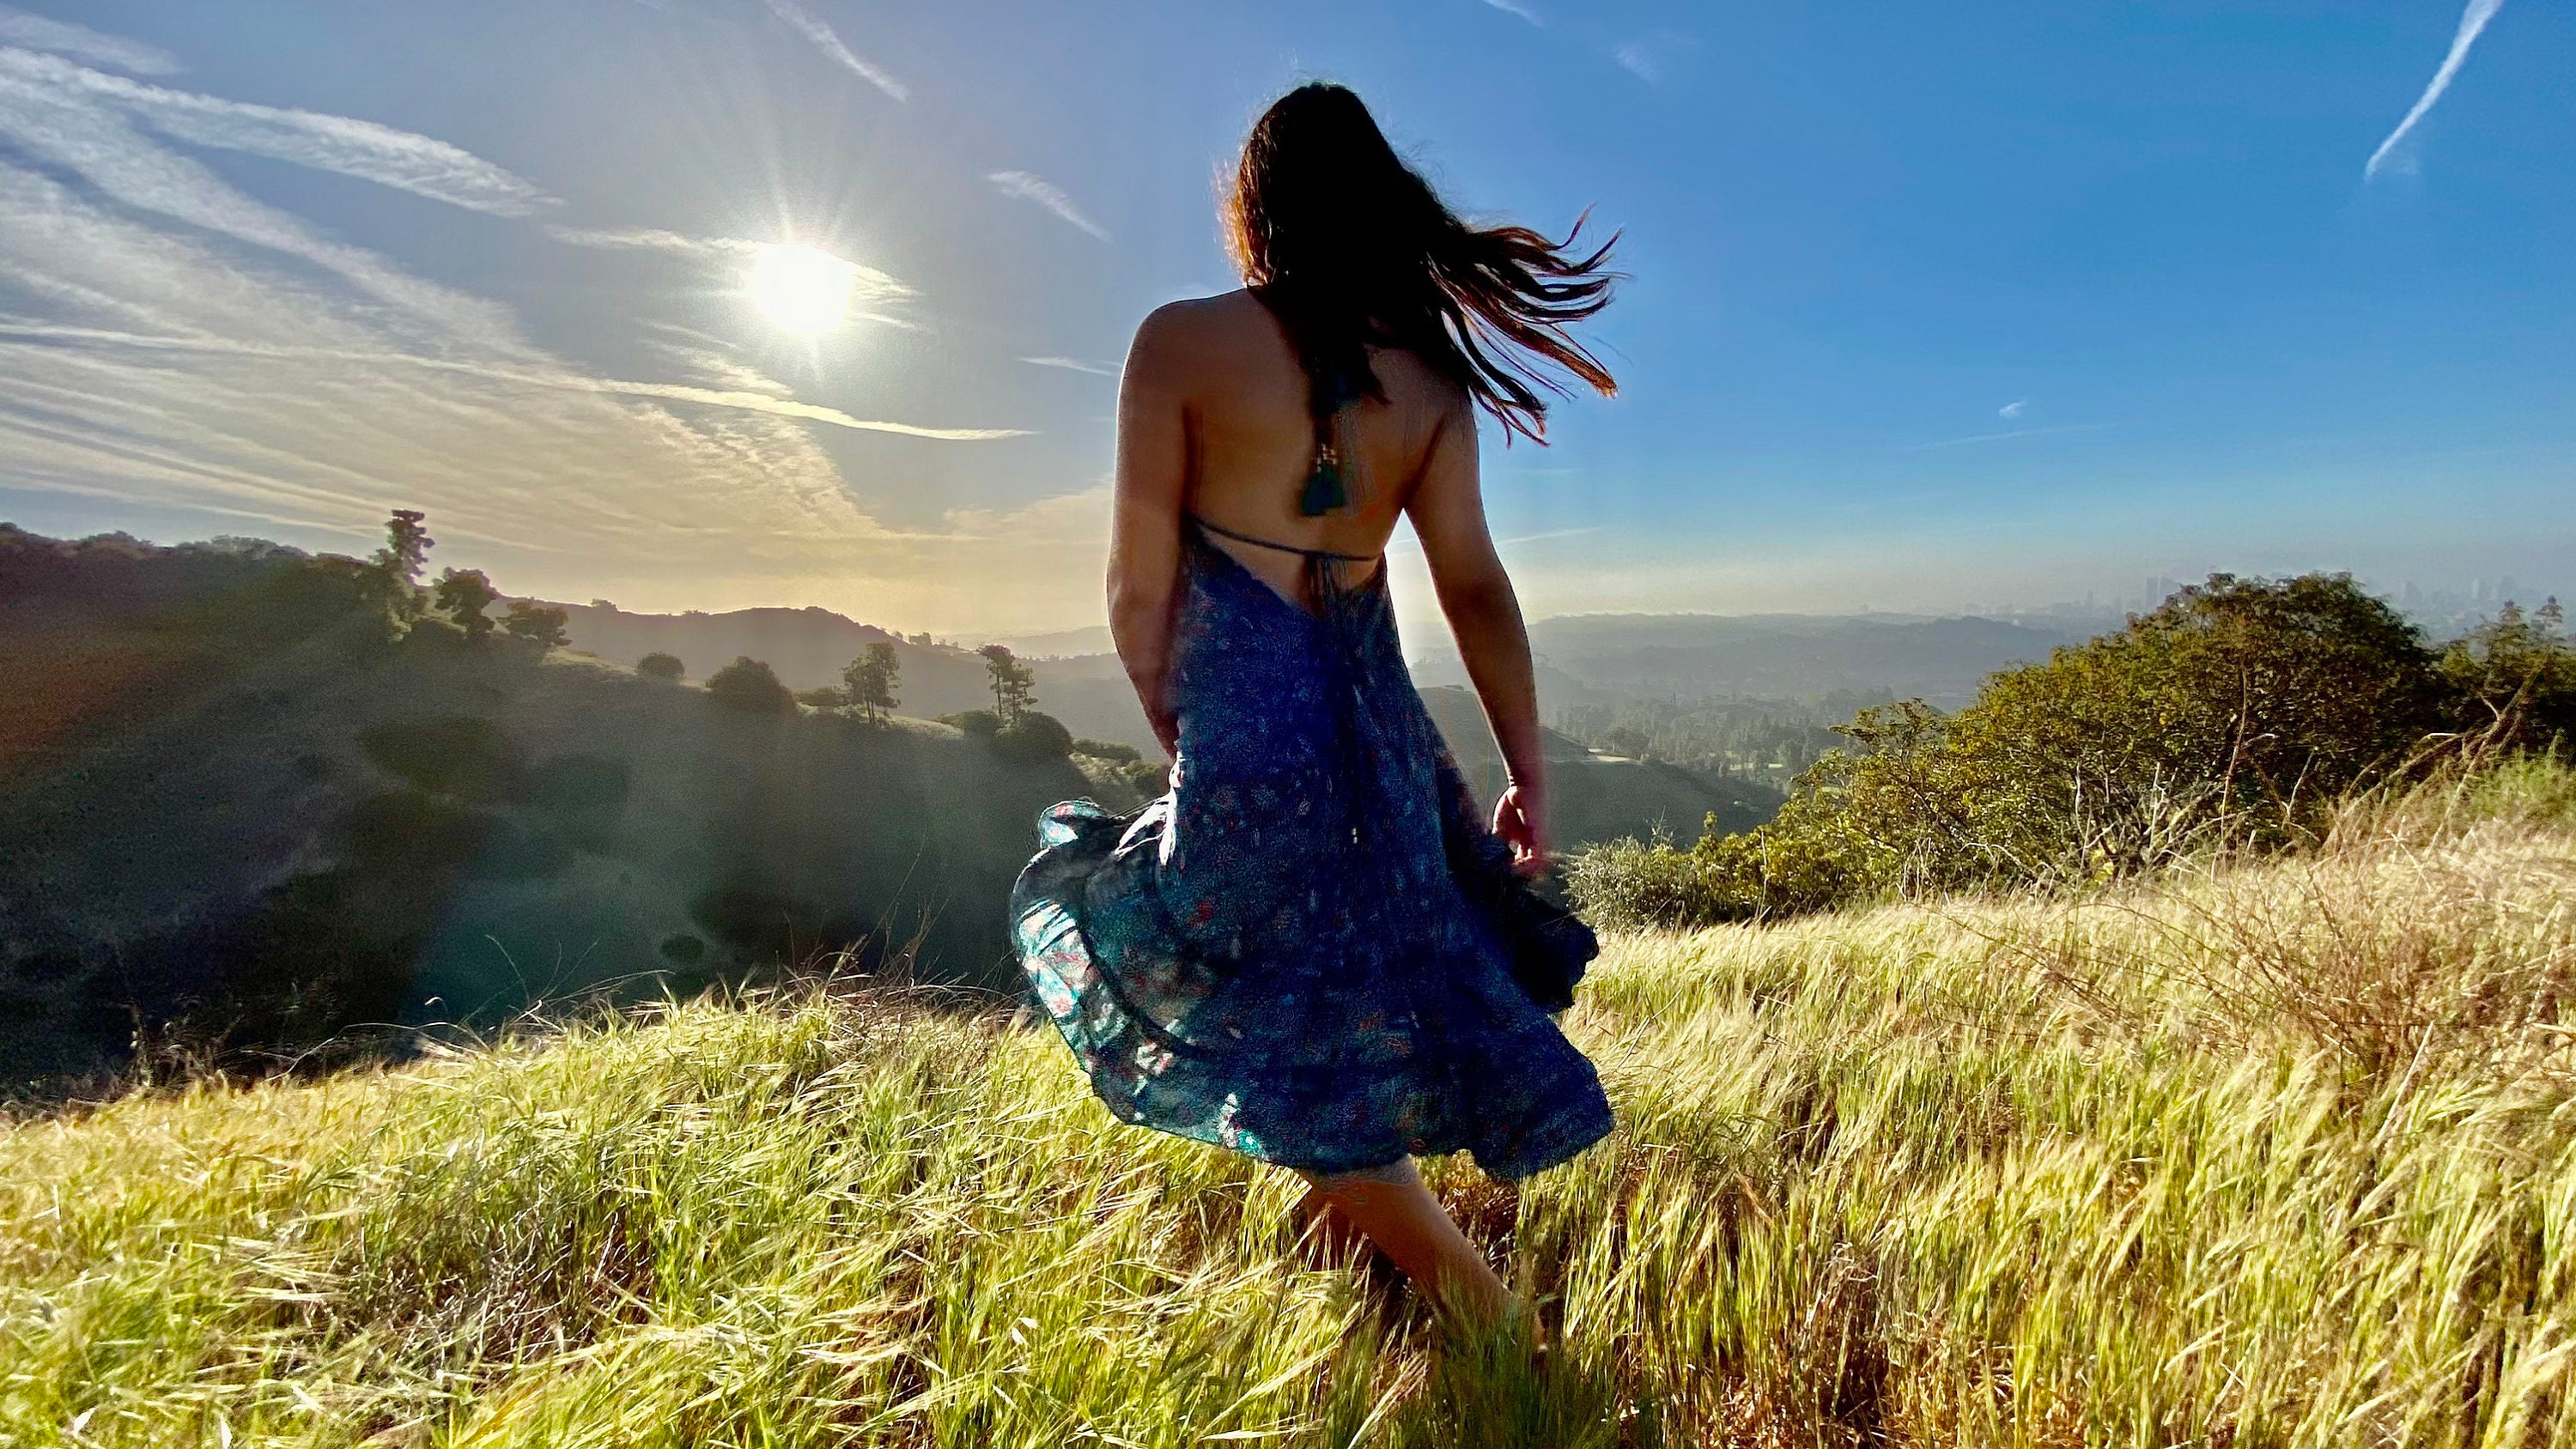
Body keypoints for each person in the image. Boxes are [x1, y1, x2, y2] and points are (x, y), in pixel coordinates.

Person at [1009, 82, 1619, 1325]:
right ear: (1382, 203)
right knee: (1338, 995)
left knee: (1247, 991)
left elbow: (1136, 583)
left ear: (1259, 209)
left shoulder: (1179, 342)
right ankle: (1351, 1279)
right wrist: (1526, 768)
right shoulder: (1429, 389)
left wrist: (1174, 715)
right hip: (1386, 747)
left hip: (1246, 734)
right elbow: (1476, 591)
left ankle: (1500, 1329)